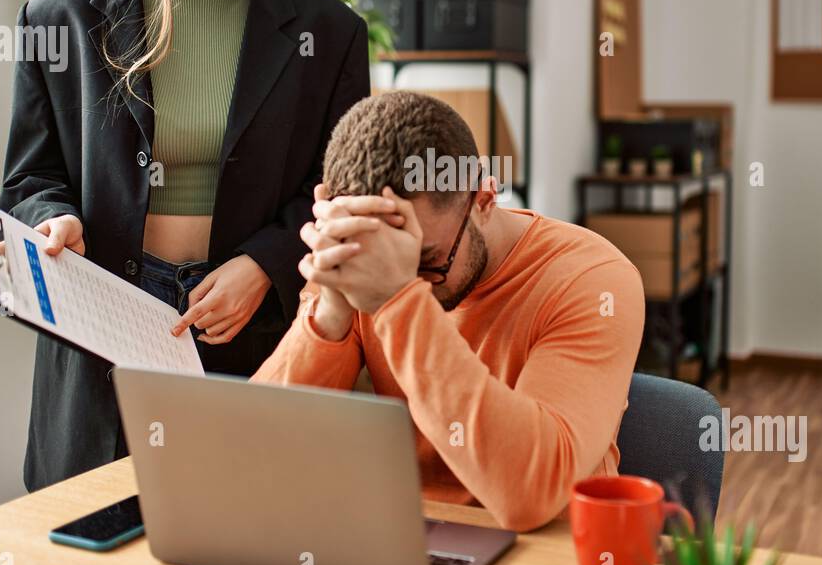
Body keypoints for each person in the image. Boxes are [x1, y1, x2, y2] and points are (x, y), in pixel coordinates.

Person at [0, 0, 369, 491]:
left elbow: (341, 194)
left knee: (237, 544)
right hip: (100, 325)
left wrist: (265, 263)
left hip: (247, 327)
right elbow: (27, 181)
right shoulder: (62, 18)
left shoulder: (330, 32)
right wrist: (55, 220)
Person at [251, 92, 645, 531]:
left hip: (551, 554)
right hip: (414, 537)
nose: (404, 276)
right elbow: (258, 451)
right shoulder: (360, 262)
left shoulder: (592, 279)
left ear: (483, 196)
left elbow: (530, 495)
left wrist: (398, 298)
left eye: (427, 261)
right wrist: (331, 304)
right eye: (386, 262)